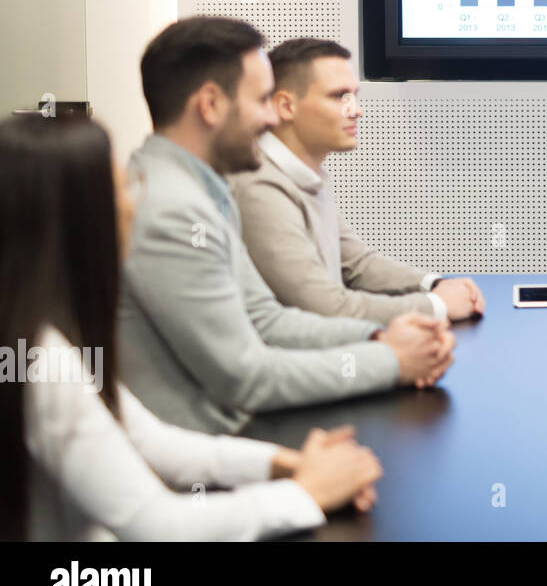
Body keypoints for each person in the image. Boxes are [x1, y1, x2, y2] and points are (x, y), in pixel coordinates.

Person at [0, 113, 383, 540]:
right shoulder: (44, 361)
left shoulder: (41, 336)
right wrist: (307, 491)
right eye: (120, 188)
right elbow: (159, 526)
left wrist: (285, 464)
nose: (133, 202)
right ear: (75, 219)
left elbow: (154, 442)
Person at [119, 17, 455, 435]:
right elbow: (246, 377)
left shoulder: (203, 191)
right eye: (261, 100)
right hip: (206, 459)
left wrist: (377, 339)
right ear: (210, 105)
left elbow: (267, 320)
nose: (269, 119)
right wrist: (392, 360)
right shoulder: (171, 209)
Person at [229, 38, 484, 325]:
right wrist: (437, 305)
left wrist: (433, 284)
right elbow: (325, 307)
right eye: (339, 96)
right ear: (286, 106)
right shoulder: (259, 188)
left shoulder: (307, 176)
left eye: (354, 95)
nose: (356, 110)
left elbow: (356, 264)